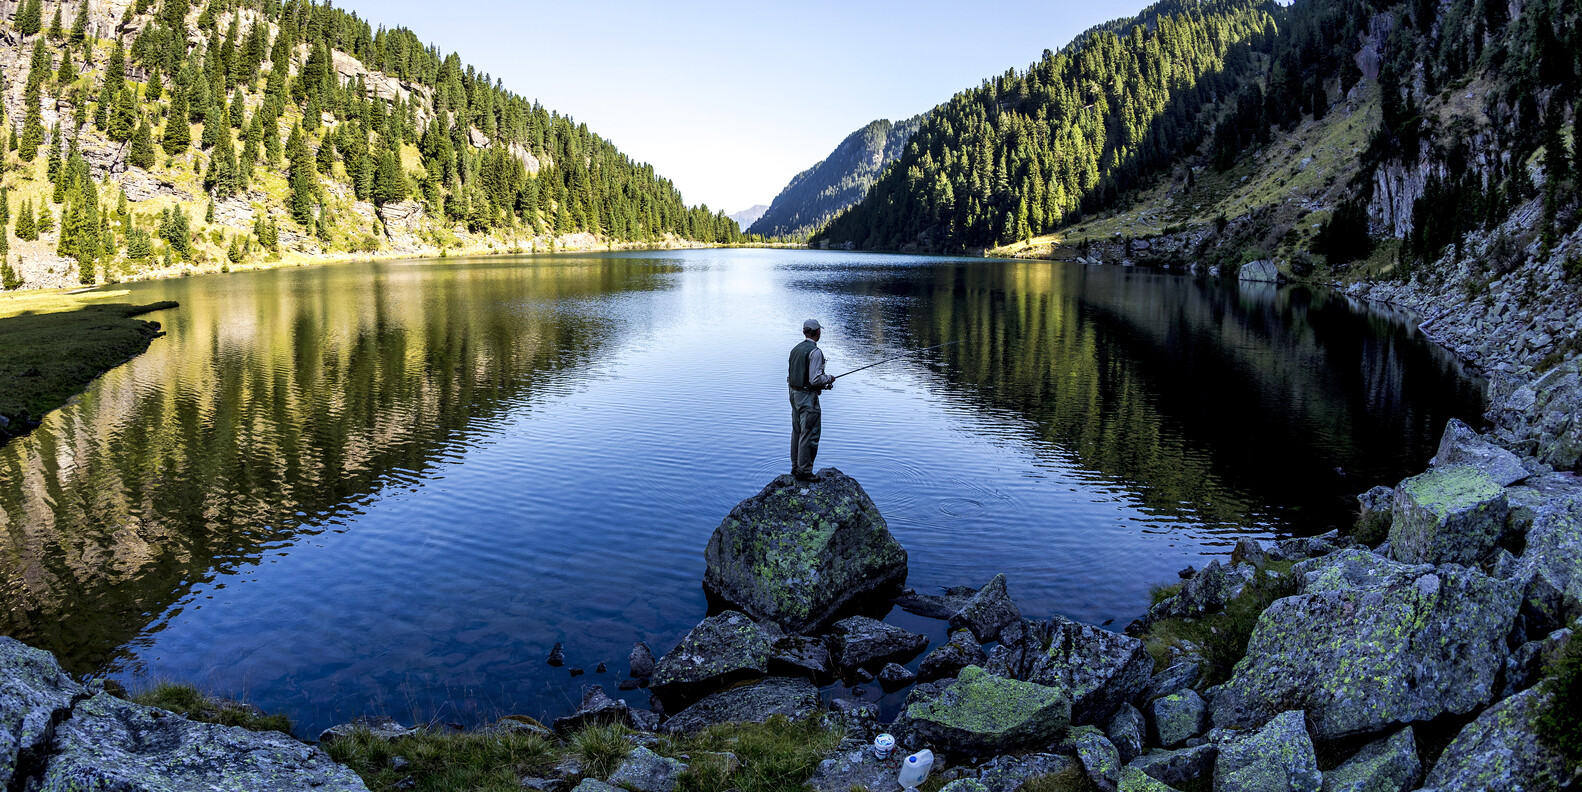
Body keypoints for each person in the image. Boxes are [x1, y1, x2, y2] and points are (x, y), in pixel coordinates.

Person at [788, 318, 834, 482]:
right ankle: (805, 471)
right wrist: (829, 378)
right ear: (818, 332)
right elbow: (815, 380)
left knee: (797, 432)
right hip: (807, 398)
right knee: (809, 433)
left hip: (794, 395)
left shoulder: (795, 349)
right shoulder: (815, 352)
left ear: (804, 332)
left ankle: (795, 467)